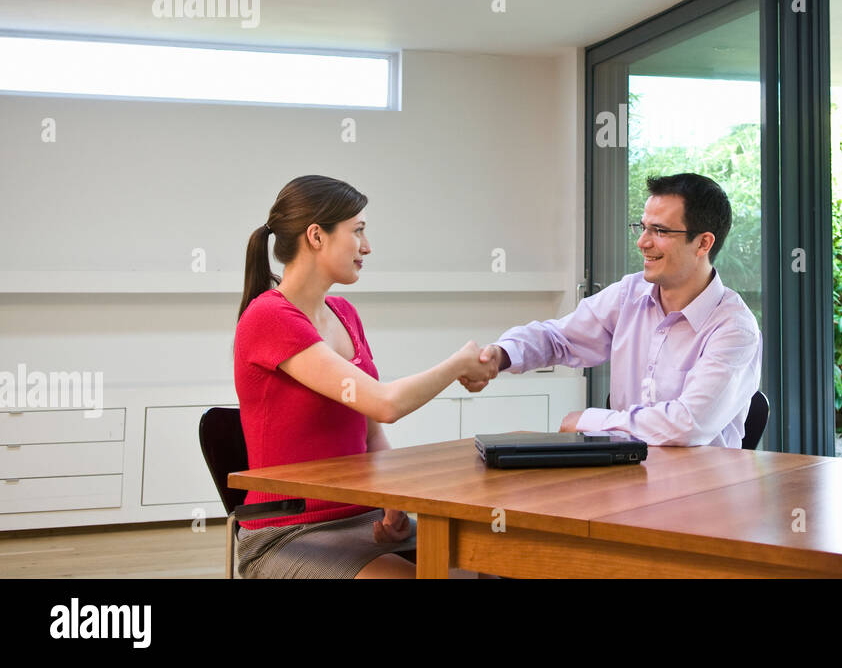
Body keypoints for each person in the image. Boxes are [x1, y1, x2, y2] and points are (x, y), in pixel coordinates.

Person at [233, 174, 493, 579]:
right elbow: (384, 404)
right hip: (290, 533)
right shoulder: (270, 317)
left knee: (490, 565)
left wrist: (392, 503)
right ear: (316, 236)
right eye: (358, 232)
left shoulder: (345, 315)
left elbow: (372, 433)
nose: (367, 247)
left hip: (363, 522)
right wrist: (458, 364)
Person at [463, 173, 761, 447]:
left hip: (700, 493)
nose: (643, 242)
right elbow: (558, 338)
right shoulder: (628, 295)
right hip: (626, 479)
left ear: (703, 243)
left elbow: (688, 424)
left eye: (659, 231)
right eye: (642, 227)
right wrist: (501, 356)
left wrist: (589, 421)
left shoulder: (735, 328)